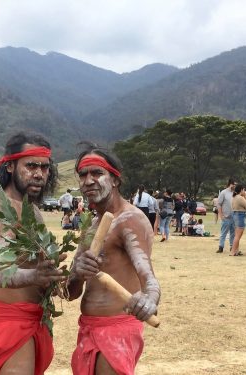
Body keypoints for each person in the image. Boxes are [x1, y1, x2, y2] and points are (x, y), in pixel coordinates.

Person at [68, 144, 160, 375]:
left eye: (97, 173)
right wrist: (77, 273)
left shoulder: (130, 219)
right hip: (89, 328)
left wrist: (148, 300)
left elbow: (148, 278)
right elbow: (70, 292)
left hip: (117, 330)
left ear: (115, 180)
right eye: (83, 175)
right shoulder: (91, 223)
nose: (88, 180)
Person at [0, 133, 63, 375]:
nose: (39, 173)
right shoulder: (0, 208)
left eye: (44, 167)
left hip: (33, 320)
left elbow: (36, 264)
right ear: (11, 166)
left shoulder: (30, 209)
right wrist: (37, 276)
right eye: (31, 165)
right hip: (11, 323)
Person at [216, 179, 237, 253]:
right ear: (230, 184)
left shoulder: (235, 193)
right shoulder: (223, 192)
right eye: (234, 184)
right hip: (226, 216)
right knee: (223, 232)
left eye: (235, 185)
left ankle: (232, 247)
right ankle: (221, 247)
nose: (235, 186)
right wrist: (221, 215)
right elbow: (218, 204)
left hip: (234, 217)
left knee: (233, 233)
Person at [230, 184, 246, 256]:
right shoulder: (240, 198)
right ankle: (232, 251)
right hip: (240, 216)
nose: (244, 191)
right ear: (241, 190)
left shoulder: (234, 197)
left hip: (235, 215)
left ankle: (236, 251)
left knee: (237, 235)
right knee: (238, 235)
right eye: (243, 190)